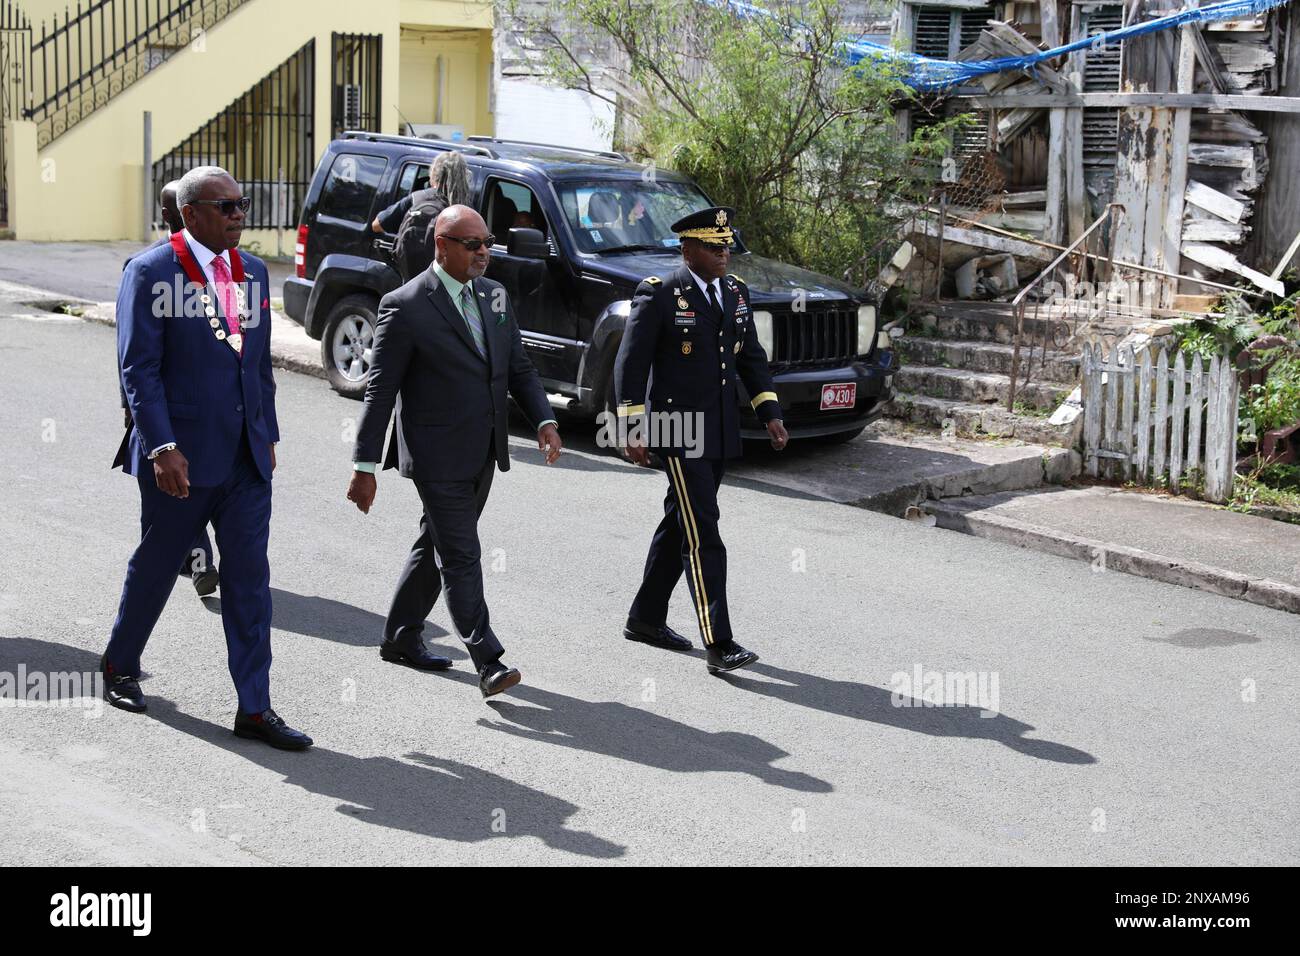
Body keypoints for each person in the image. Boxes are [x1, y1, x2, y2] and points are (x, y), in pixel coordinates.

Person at [103, 165, 312, 750]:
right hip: (181, 459)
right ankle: (120, 664)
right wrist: (163, 446)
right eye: (226, 207)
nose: (239, 216)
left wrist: (266, 432)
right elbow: (138, 368)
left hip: (246, 459)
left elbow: (257, 363)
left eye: (242, 205)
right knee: (158, 565)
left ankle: (254, 707)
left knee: (250, 580)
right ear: (190, 213)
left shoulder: (249, 272)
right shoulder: (150, 272)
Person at [347, 205, 563, 699]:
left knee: (437, 542)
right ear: (441, 245)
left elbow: (520, 368)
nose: (483, 252)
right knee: (462, 553)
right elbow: (380, 391)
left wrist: (545, 420)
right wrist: (363, 465)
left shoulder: (495, 295)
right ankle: (488, 658)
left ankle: (400, 635)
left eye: (486, 242)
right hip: (435, 453)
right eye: (473, 244)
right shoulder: (405, 305)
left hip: (484, 447)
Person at [613, 206, 789, 674]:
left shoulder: (735, 292)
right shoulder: (660, 293)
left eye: (726, 246)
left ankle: (645, 618)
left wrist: (768, 411)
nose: (723, 254)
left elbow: (750, 356)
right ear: (687, 249)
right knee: (704, 530)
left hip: (720, 428)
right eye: (713, 247)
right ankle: (719, 642)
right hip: (677, 428)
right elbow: (631, 364)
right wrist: (630, 425)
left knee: (681, 521)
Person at [115, 179, 219, 599]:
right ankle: (194, 563)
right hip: (161, 408)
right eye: (178, 211)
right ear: (172, 214)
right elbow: (131, 353)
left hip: (208, 409)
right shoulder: (146, 267)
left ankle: (193, 560)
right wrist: (130, 405)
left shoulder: (227, 266)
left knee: (193, 489)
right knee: (170, 489)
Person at [371, 151, 472, 281]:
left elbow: (376, 225)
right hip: (448, 286)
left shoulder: (417, 199)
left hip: (412, 284)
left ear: (434, 174)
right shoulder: (466, 208)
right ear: (464, 176)